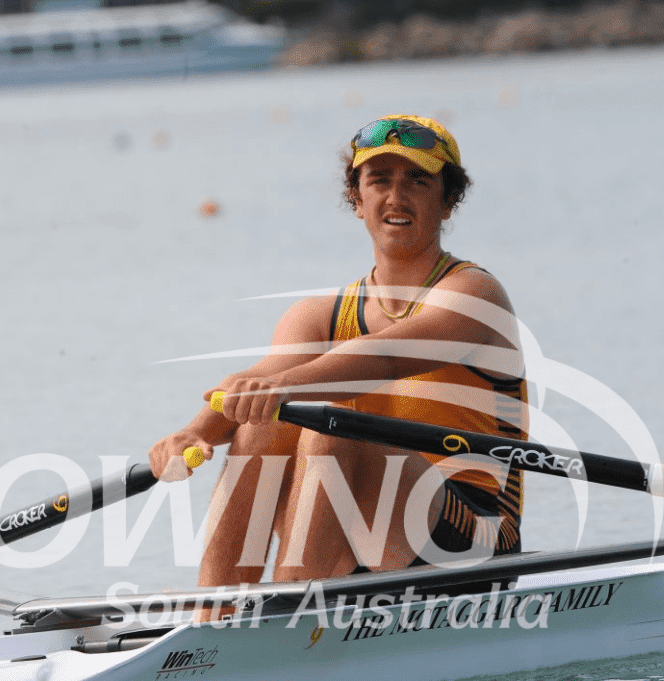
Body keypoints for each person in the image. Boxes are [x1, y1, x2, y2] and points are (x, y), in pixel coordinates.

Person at [149, 114, 527, 599]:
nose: (397, 197)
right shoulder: (318, 316)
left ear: (447, 200)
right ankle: (213, 619)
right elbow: (258, 377)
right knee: (265, 422)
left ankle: (286, 623)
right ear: (357, 200)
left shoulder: (474, 294)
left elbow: (384, 357)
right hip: (354, 539)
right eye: (379, 181)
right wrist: (197, 430)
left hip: (473, 542)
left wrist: (281, 389)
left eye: (418, 180)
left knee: (332, 430)